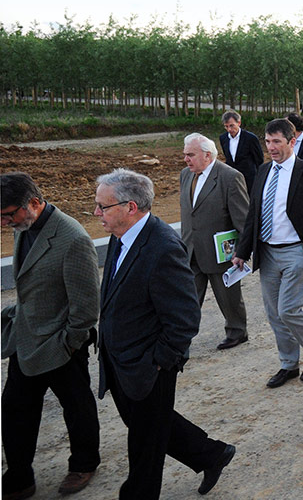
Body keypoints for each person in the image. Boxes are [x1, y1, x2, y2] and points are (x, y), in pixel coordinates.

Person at [94, 169, 235, 499]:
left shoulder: (162, 247)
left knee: (144, 442)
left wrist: (159, 361)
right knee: (150, 423)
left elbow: (185, 317)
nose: (97, 212)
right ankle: (211, 454)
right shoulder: (121, 236)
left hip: (149, 365)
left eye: (103, 206)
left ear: (130, 207)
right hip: (121, 360)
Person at [1, 173, 100, 498]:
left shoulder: (73, 238)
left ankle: (84, 464)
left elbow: (87, 305)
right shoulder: (24, 225)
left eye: (8, 214)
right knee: (14, 408)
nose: (4, 222)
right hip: (27, 339)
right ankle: (20, 477)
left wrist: (69, 343)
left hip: (62, 345)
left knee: (77, 406)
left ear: (33, 202)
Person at [233, 118, 303, 389]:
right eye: (267, 141)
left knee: (288, 309)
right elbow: (253, 214)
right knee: (274, 313)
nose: (271, 147)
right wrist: (242, 251)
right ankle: (289, 364)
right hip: (267, 252)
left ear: (292, 141)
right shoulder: (263, 171)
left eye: (277, 141)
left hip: (297, 251)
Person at [180, 133, 250, 350]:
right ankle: (180, 339)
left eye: (191, 155)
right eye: (185, 154)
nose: (186, 159)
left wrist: (242, 251)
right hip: (191, 249)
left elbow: (243, 218)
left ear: (207, 155)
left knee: (228, 296)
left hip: (221, 252)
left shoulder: (230, 177)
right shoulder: (185, 175)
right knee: (186, 298)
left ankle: (237, 331)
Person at [219, 110, 264, 191]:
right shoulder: (223, 138)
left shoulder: (251, 138)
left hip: (249, 180)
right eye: (226, 126)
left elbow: (259, 159)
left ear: (239, 123)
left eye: (232, 125)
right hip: (231, 179)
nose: (229, 129)